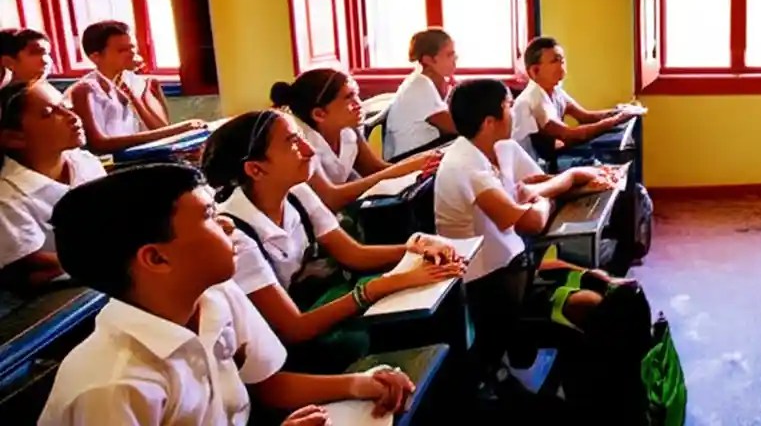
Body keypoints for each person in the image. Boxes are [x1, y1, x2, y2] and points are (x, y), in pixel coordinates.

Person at [39, 164, 418, 425]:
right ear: (156, 257)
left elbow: (267, 383)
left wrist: (359, 383)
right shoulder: (114, 385)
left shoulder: (216, 295)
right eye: (207, 215)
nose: (226, 222)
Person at [202, 110, 465, 373]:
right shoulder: (235, 234)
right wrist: (380, 287)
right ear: (255, 169)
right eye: (293, 143)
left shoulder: (297, 192)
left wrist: (414, 248)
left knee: (439, 306)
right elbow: (295, 328)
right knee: (405, 332)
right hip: (289, 353)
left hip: (325, 307)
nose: (308, 150)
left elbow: (354, 254)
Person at [435, 78, 621, 366]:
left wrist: (583, 179)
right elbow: (531, 223)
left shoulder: (499, 148)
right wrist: (551, 191)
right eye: (508, 106)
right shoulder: (465, 166)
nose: (513, 112)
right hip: (492, 290)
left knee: (608, 285)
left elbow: (538, 184)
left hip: (518, 266)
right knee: (596, 309)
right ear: (489, 121)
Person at [270, 69, 441, 211]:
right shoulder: (303, 145)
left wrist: (423, 164)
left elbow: (374, 169)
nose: (359, 104)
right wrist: (411, 166)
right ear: (319, 114)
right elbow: (331, 198)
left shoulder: (348, 131)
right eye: (348, 98)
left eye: (357, 95)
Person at [0, 80, 106, 291]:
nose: (72, 117)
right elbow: (30, 267)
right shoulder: (8, 198)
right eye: (49, 113)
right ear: (14, 138)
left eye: (65, 106)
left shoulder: (84, 161)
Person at [66, 21, 204, 153]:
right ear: (95, 57)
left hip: (137, 155)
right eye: (122, 50)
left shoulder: (136, 82)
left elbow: (161, 129)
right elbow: (99, 144)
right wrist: (178, 129)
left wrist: (138, 99)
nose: (132, 53)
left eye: (132, 47)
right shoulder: (86, 89)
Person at [511, 36, 641, 160]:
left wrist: (619, 111)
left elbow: (584, 117)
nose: (561, 64)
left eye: (562, 60)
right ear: (535, 71)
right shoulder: (533, 98)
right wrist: (616, 120)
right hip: (530, 168)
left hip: (548, 157)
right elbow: (569, 135)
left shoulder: (555, 90)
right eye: (554, 61)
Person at [383, 28, 458, 161]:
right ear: (428, 60)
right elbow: (455, 126)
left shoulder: (424, 80)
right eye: (449, 55)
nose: (455, 59)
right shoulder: (420, 85)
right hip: (408, 158)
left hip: (424, 151)